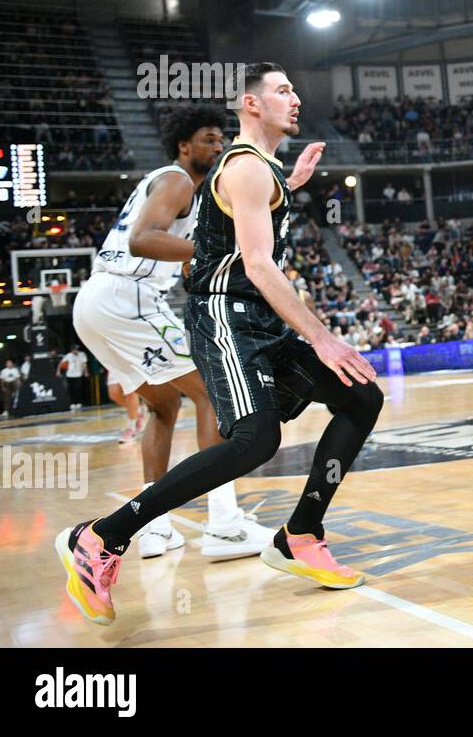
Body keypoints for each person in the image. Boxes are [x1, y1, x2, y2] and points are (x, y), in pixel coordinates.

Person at [56, 63, 384, 626]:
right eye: (283, 89)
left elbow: (243, 210)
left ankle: (300, 533)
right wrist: (323, 337)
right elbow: (256, 263)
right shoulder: (245, 166)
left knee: (362, 397)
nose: (296, 97)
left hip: (256, 318)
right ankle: (102, 537)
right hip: (225, 315)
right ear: (251, 105)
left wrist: (292, 183)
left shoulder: (258, 170)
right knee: (255, 439)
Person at [71, 104, 299, 560]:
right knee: (213, 393)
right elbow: (143, 238)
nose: (218, 147)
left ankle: (154, 529)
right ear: (184, 145)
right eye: (210, 140)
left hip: (97, 302)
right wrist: (209, 252)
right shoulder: (175, 178)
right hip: (127, 296)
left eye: (221, 140)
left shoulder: (187, 188)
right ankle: (224, 525)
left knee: (162, 407)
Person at [57, 345, 88, 411]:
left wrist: (85, 372)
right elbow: (61, 363)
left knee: (78, 389)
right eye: (75, 349)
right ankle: (72, 403)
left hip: (78, 374)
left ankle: (79, 402)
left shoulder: (82, 354)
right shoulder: (68, 355)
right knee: (71, 389)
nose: (76, 350)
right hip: (70, 375)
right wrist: (58, 371)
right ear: (72, 350)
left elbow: (84, 363)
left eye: (77, 349)